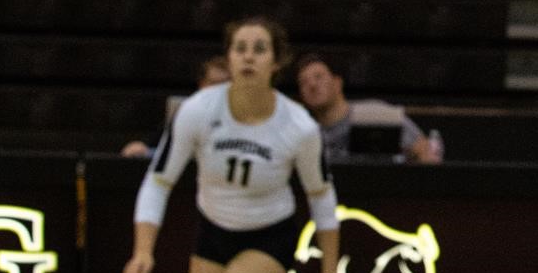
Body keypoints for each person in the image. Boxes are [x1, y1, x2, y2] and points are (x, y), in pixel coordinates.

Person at [126, 17, 338, 273]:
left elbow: (321, 195)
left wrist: (330, 268)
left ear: (276, 62)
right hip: (211, 232)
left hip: (270, 235)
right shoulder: (197, 110)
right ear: (228, 58)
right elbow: (159, 180)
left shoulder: (299, 125)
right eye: (240, 49)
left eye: (259, 49)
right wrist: (143, 251)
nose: (248, 57)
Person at [295, 54, 441, 165]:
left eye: (318, 77)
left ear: (337, 83)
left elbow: (423, 150)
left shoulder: (374, 114)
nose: (312, 85)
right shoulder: (302, 134)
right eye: (304, 83)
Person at [121, 57, 231, 158]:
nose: (219, 90)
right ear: (202, 85)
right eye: (214, 84)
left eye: (224, 84)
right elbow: (155, 147)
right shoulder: (185, 112)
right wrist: (142, 149)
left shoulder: (242, 116)